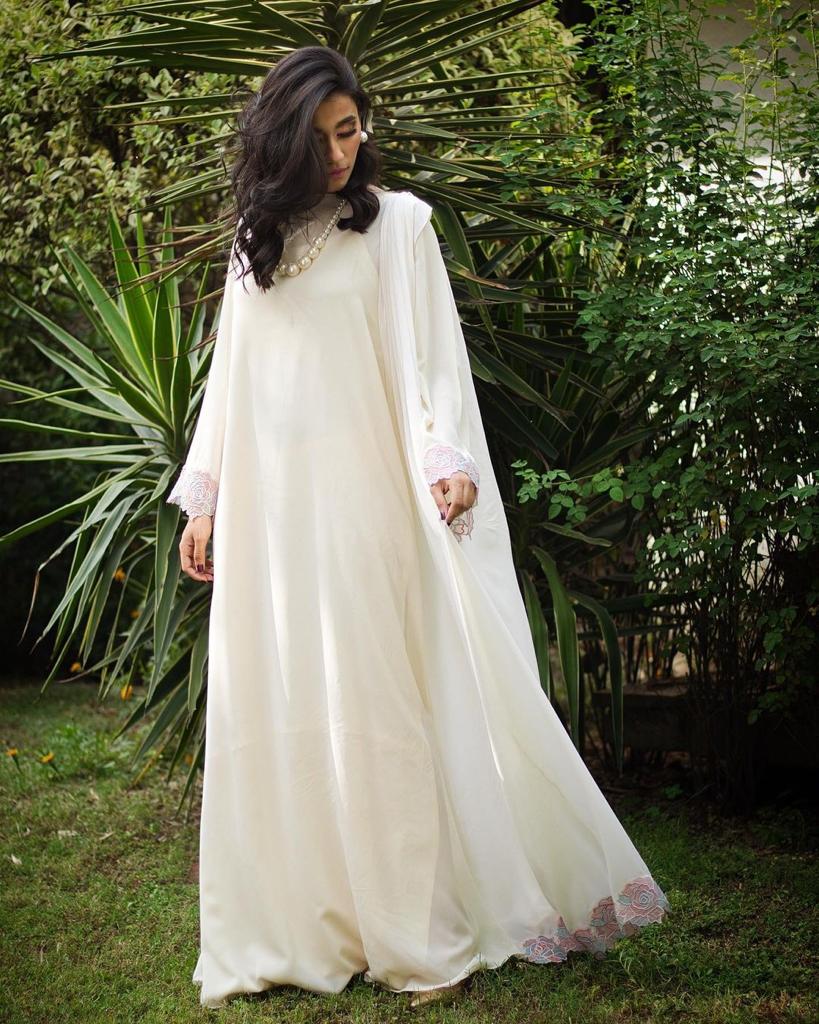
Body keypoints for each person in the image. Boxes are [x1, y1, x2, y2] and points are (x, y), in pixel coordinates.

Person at [167, 45, 670, 1012]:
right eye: (320, 139)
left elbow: (435, 359)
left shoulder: (398, 226)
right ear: (282, 141)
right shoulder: (252, 241)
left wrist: (447, 461)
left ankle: (414, 934)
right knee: (278, 700)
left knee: (378, 708)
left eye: (350, 131)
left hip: (365, 504)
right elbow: (230, 378)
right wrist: (207, 497)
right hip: (274, 519)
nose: (340, 154)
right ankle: (296, 930)